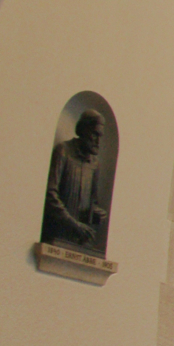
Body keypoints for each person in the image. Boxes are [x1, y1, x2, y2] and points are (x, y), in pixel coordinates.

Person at [42, 108, 111, 253]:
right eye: (94, 134)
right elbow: (50, 195)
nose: (98, 141)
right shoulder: (64, 151)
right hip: (59, 234)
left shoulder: (95, 164)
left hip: (80, 238)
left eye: (100, 136)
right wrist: (74, 225)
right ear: (83, 130)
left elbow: (92, 201)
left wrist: (96, 212)